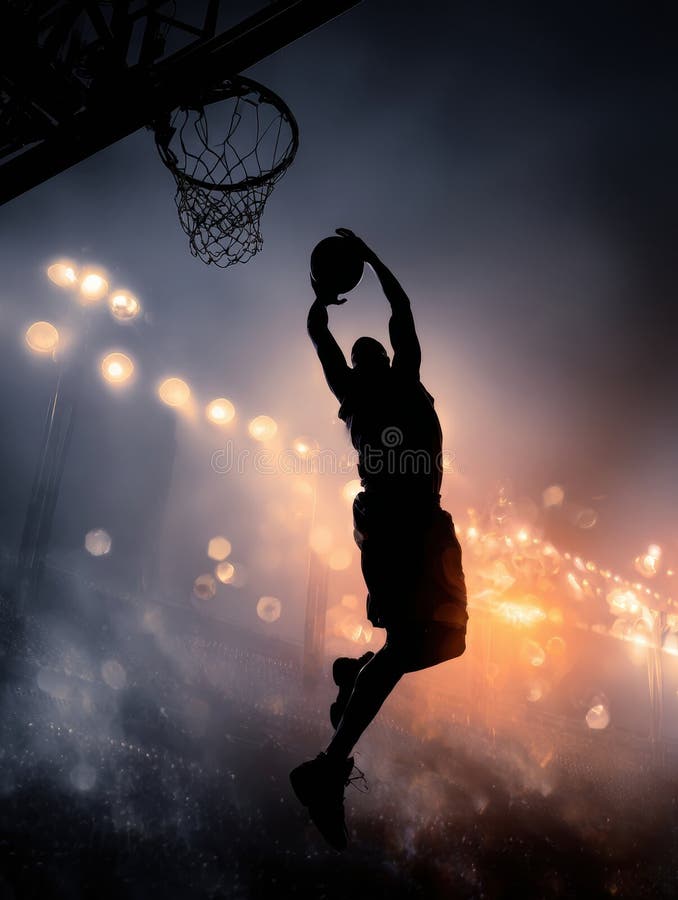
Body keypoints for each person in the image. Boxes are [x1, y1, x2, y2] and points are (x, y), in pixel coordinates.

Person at [290, 229, 468, 850]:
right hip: (397, 517)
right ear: (372, 363)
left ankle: (357, 676)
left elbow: (376, 320)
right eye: (362, 351)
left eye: (369, 349)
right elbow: (367, 321)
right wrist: (348, 273)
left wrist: (344, 278)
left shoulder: (379, 382)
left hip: (418, 517)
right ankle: (328, 765)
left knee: (449, 640)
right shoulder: (371, 388)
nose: (368, 351)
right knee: (411, 640)